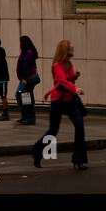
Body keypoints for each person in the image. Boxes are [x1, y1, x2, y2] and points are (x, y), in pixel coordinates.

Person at [30, 40, 87, 170]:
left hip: (69, 100)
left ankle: (79, 159)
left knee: (79, 126)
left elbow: (69, 79)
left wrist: (75, 77)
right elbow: (62, 81)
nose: (72, 49)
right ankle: (37, 153)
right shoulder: (57, 66)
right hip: (58, 100)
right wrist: (75, 89)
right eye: (70, 48)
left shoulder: (69, 64)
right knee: (53, 130)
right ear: (65, 51)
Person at [16, 35, 40, 125]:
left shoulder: (29, 53)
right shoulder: (25, 52)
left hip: (28, 78)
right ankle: (26, 116)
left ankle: (30, 118)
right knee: (21, 96)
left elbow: (27, 67)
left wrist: (25, 78)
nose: (19, 44)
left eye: (20, 42)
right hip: (25, 78)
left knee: (26, 97)